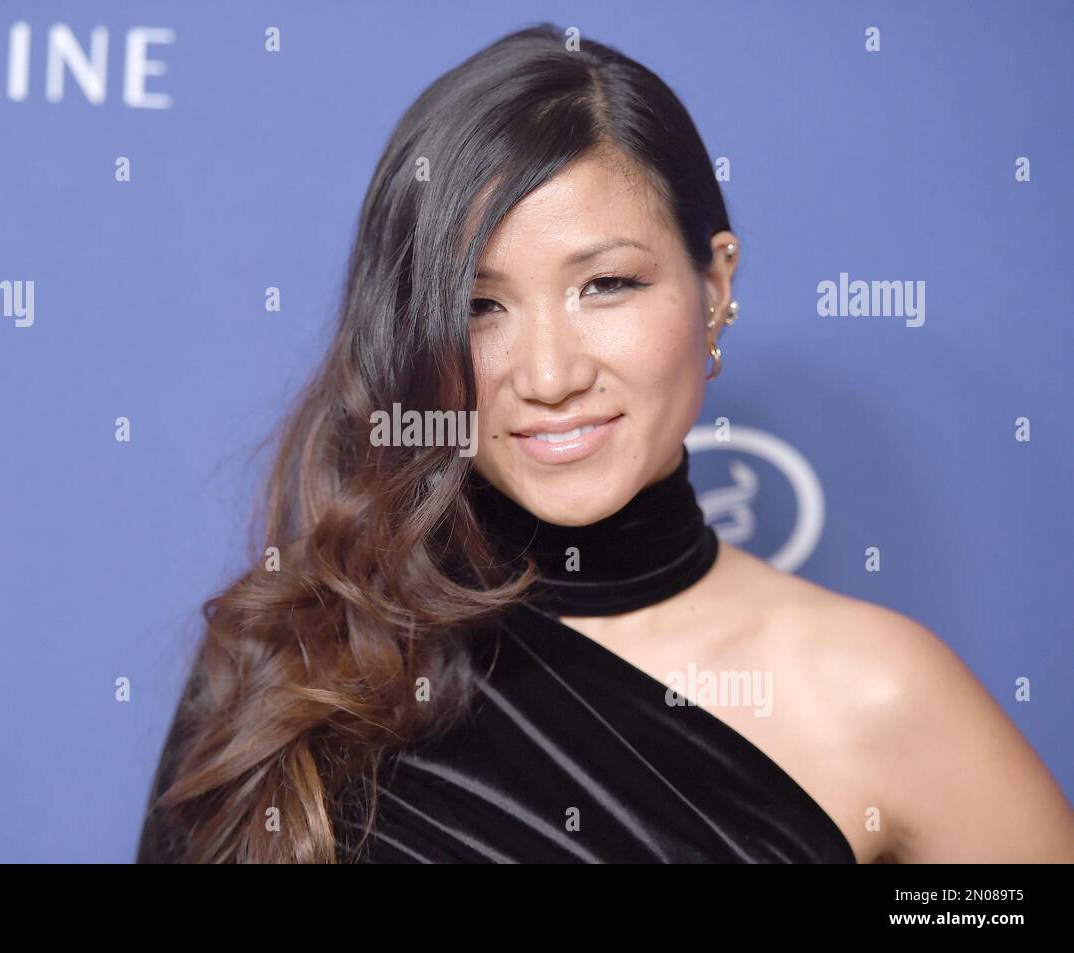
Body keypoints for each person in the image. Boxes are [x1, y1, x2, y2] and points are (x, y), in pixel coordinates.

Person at [135, 23, 1074, 863]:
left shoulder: (879, 693)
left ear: (714, 286)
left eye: (607, 285)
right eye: (479, 305)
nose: (547, 374)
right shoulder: (297, 650)